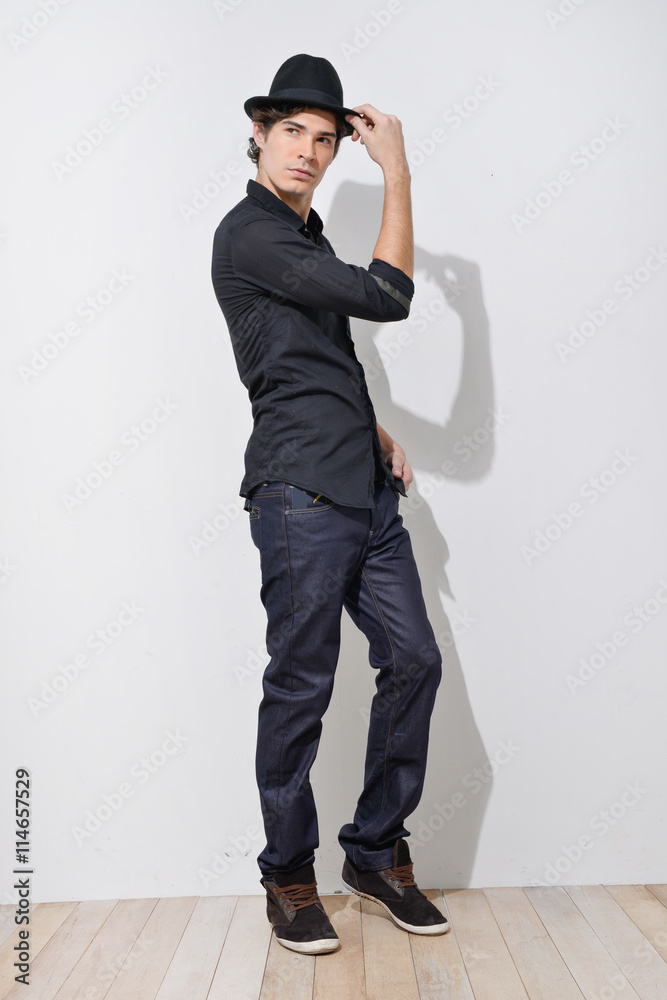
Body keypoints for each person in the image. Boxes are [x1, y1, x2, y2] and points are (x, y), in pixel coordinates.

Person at [211, 53, 447, 955]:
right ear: (260, 137)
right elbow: (387, 297)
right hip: (298, 497)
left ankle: (375, 852)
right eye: (292, 134)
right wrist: (398, 170)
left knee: (414, 662)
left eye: (323, 138)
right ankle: (288, 875)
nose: (307, 152)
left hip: (361, 486)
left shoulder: (304, 242)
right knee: (301, 689)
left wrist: (371, 423)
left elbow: (312, 359)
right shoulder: (251, 234)